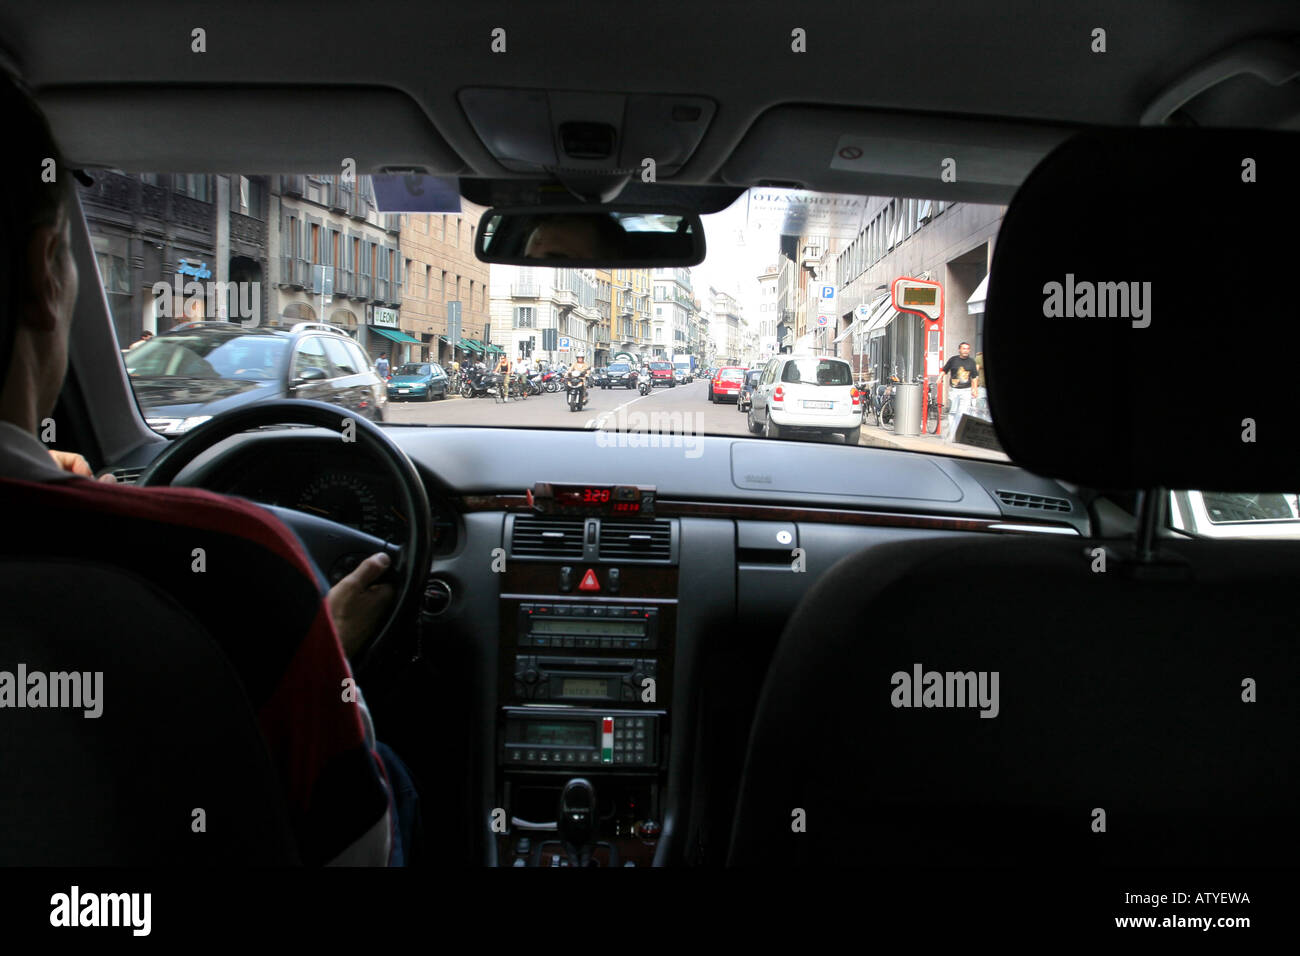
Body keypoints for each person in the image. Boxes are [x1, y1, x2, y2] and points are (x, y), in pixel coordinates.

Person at [0, 70, 412, 866]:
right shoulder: (243, 575)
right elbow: (358, 853)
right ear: (44, 273)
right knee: (390, 774)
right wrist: (319, 656)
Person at [939, 341, 980, 444]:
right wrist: (940, 378)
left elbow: (974, 377)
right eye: (964, 348)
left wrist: (974, 390)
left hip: (966, 390)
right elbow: (945, 370)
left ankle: (955, 435)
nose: (966, 351)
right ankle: (952, 434)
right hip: (954, 390)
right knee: (952, 413)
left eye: (967, 349)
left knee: (961, 413)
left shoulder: (972, 362)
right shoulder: (953, 360)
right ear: (959, 350)